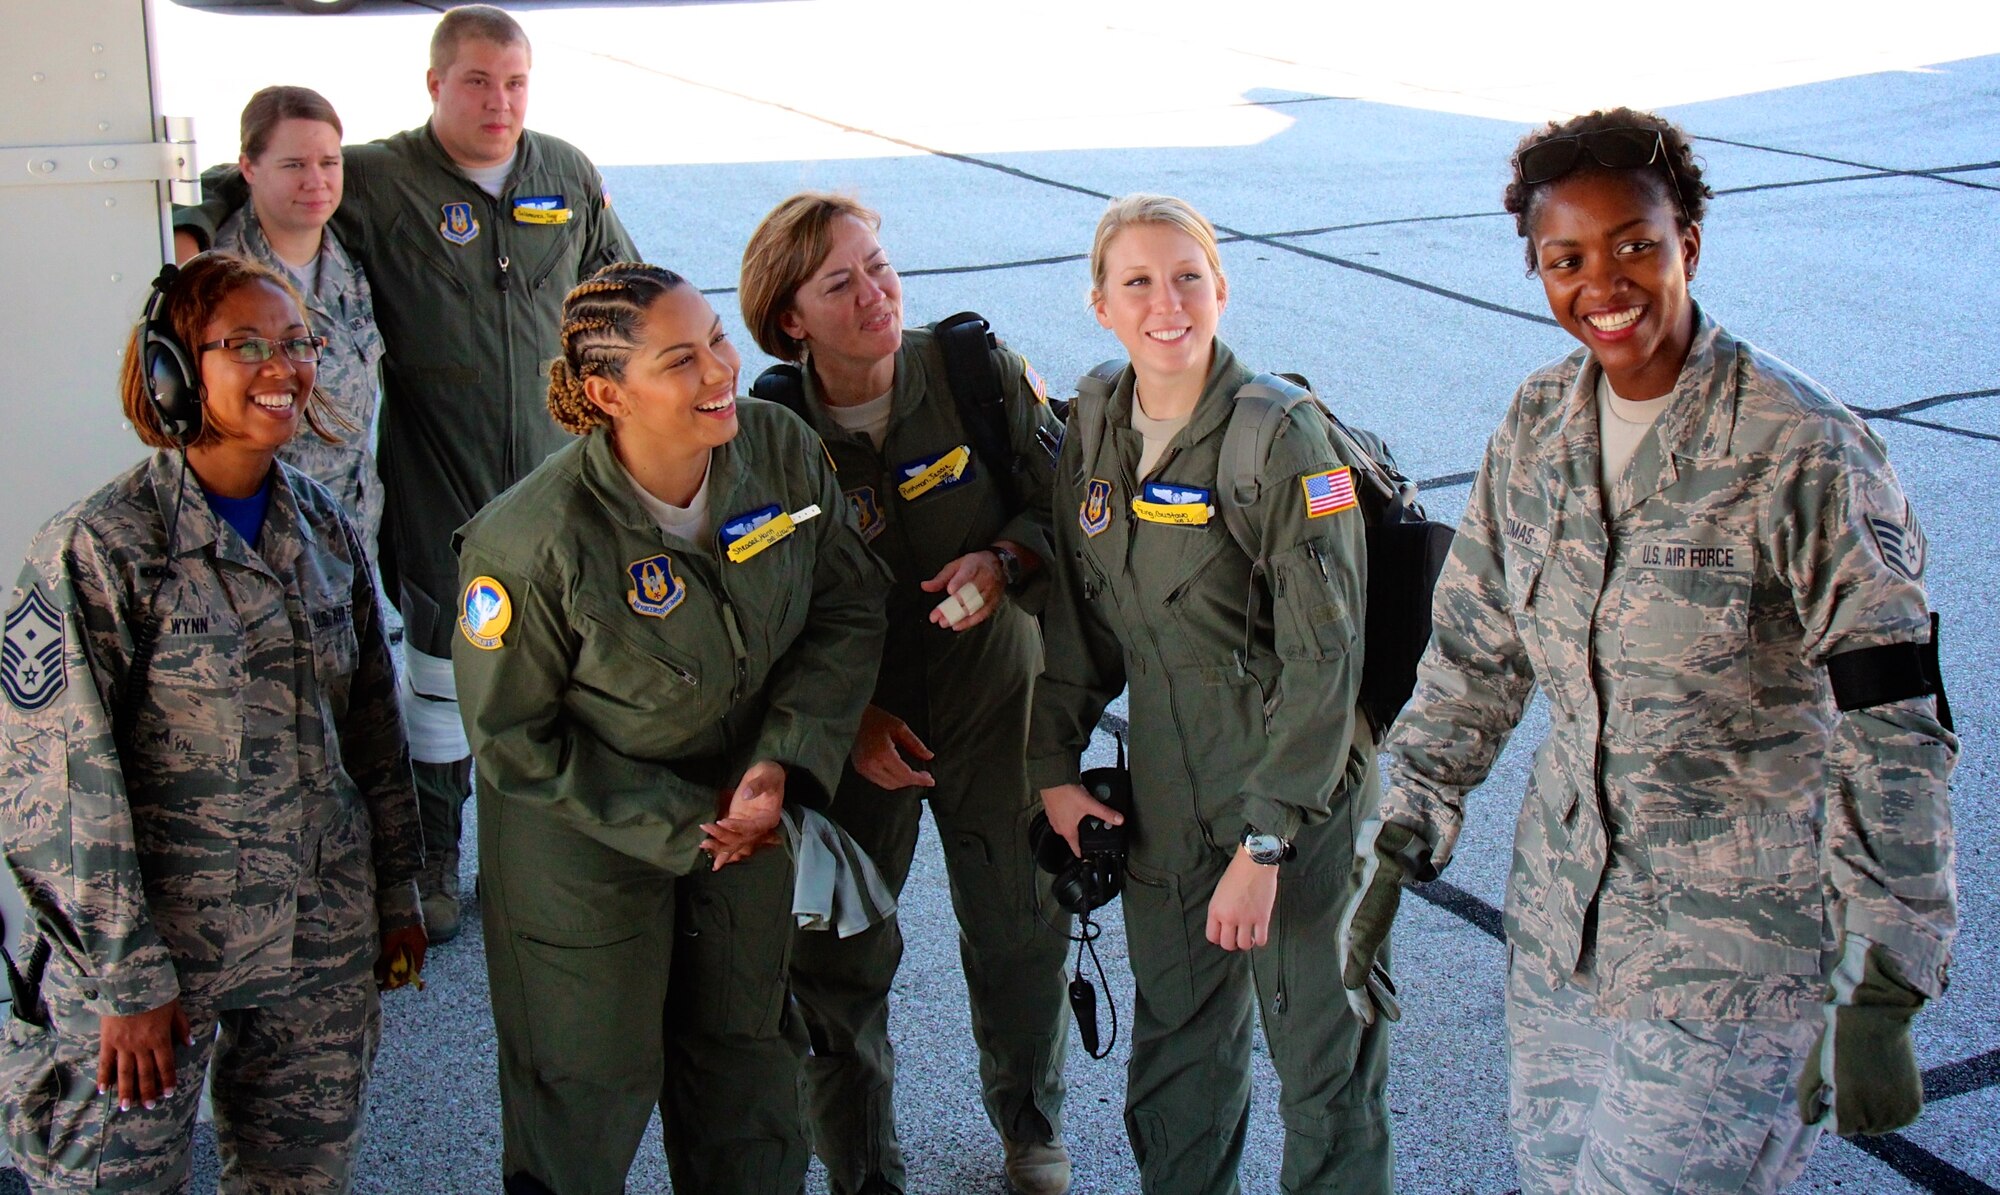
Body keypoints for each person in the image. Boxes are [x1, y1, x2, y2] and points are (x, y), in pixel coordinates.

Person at [1338, 108, 1959, 1195]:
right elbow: (1475, 646)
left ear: (1688, 244)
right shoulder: (1535, 425)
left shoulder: (1798, 447)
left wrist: (1885, 980)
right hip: (1562, 935)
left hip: (1736, 956)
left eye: (1634, 242)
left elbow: (1893, 726)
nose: (1603, 282)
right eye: (1564, 258)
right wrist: (1402, 831)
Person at [176, 4, 640, 943]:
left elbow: (622, 288)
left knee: (565, 672)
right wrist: (189, 225)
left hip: (559, 482)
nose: (498, 102)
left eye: (514, 83)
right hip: (439, 483)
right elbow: (258, 182)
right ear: (435, 85)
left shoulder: (564, 171)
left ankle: (546, 859)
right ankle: (433, 858)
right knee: (438, 678)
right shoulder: (380, 179)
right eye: (476, 81)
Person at [452, 262, 891, 1195]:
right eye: (681, 358)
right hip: (587, 840)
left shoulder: (777, 448)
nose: (718, 371)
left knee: (746, 1064)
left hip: (746, 814)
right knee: (585, 1083)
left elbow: (846, 606)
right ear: (610, 392)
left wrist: (785, 760)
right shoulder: (528, 543)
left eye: (719, 342)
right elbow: (513, 739)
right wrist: (685, 823)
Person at [0, 252, 426, 1192]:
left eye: (298, 344)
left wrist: (395, 896)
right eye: (245, 345)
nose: (284, 367)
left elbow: (371, 735)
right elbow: (54, 787)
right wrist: (127, 981)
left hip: (316, 937)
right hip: (155, 956)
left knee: (300, 1179)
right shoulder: (100, 545)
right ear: (172, 368)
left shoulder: (323, 527)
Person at [1026, 194, 1392, 1195]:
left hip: (1297, 794)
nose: (1165, 302)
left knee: (1324, 1069)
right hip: (1168, 795)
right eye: (1136, 281)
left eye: (1187, 276)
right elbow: (1077, 612)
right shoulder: (1097, 419)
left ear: (1220, 289)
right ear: (1100, 303)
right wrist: (1052, 768)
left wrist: (1264, 841)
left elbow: (1328, 660)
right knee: (1177, 1054)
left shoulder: (1282, 440)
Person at [738, 192, 1075, 1195]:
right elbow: (759, 619)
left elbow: (1067, 506)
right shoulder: (767, 436)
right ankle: (861, 1170)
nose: (873, 294)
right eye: (838, 283)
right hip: (859, 732)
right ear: (790, 317)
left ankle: (1029, 1123)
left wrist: (1005, 558)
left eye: (877, 266)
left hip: (992, 703)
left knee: (1018, 928)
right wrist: (836, 730)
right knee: (836, 961)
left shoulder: (973, 372)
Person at [212, 85, 387, 562]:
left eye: (329, 163)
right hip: (260, 550)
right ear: (248, 168)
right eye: (293, 165)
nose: (317, 182)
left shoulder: (349, 260)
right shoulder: (218, 280)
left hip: (349, 540)